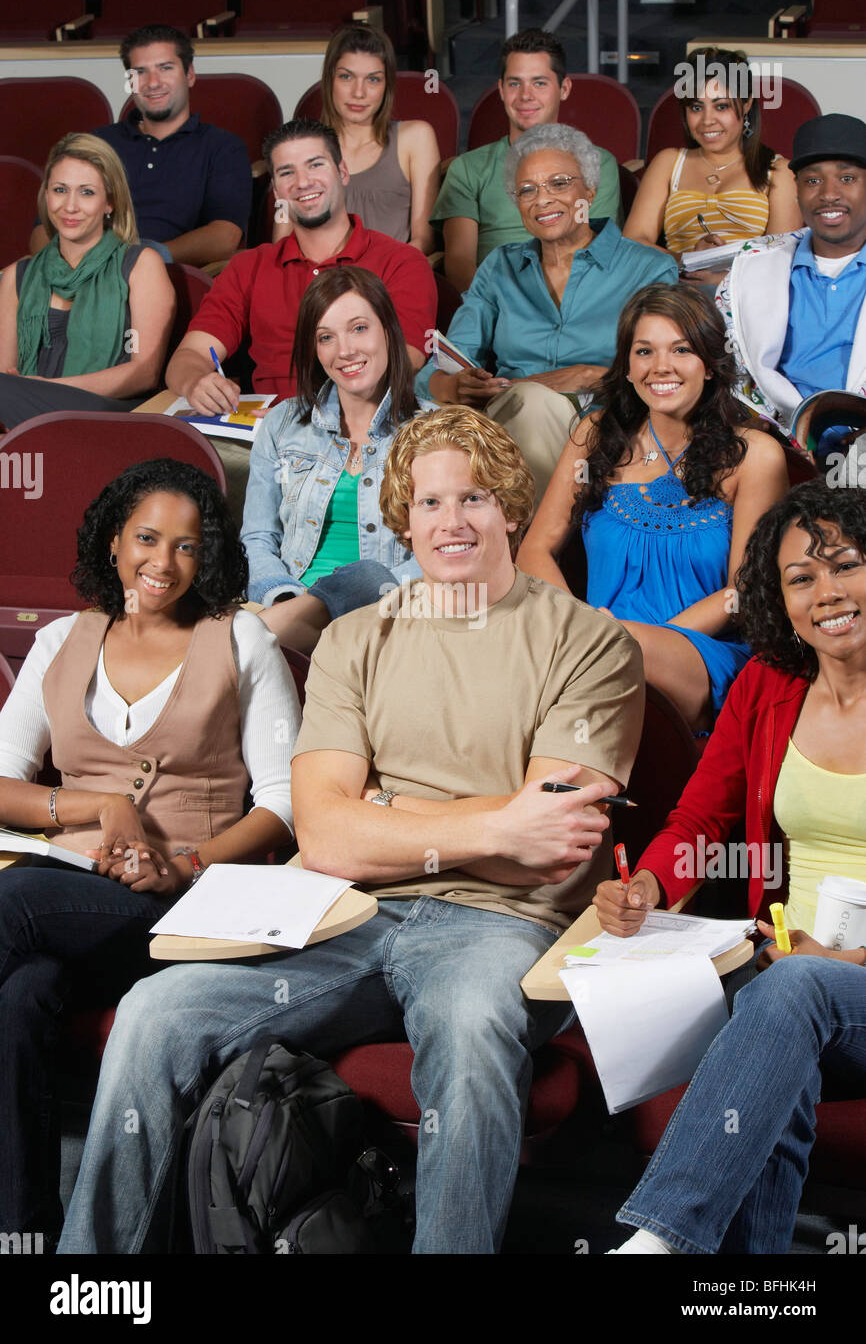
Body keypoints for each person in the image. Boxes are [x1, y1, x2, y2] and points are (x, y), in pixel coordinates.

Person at [58, 406, 644, 1256]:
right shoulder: (355, 639)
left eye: (474, 499)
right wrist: (477, 822)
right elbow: (327, 836)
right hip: (345, 912)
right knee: (155, 1012)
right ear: (402, 516)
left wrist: (384, 813)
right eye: (431, 503)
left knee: (474, 1029)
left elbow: (548, 836)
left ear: (512, 509)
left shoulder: (589, 643)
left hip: (504, 924)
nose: (452, 522)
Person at [0, 457, 298, 1247]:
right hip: (66, 899)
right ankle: (22, 1236)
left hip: (185, 906)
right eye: (146, 539)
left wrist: (187, 863)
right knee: (18, 998)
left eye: (188, 547)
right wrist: (97, 806)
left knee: (11, 903)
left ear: (212, 557)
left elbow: (285, 802)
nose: (163, 563)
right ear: (112, 543)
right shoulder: (63, 638)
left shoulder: (240, 639)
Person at [591, 482, 866, 1254]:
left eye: (844, 566)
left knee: (790, 990)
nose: (827, 593)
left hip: (829, 979)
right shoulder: (769, 686)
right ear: (777, 600)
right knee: (776, 1063)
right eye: (801, 578)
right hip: (790, 981)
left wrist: (839, 960)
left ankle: (657, 1243)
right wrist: (650, 885)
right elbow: (702, 820)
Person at [517, 283, 789, 731]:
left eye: (681, 349)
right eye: (644, 352)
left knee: (616, 655)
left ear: (710, 365)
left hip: (699, 652)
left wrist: (617, 640)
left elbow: (741, 593)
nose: (661, 367)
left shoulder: (754, 455)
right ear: (626, 366)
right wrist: (579, 627)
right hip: (590, 641)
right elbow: (534, 551)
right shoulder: (595, 434)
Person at [416, 123, 677, 501]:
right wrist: (453, 385)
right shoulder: (499, 267)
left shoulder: (648, 268)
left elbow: (668, 372)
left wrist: (594, 375)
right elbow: (435, 371)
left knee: (531, 411)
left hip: (608, 423)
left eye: (559, 183)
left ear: (589, 189)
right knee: (514, 410)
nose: (542, 200)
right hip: (504, 417)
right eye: (527, 190)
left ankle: (517, 546)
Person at [166, 119, 437, 415]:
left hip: (362, 424)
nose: (303, 182)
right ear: (276, 191)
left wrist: (311, 416)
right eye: (287, 172)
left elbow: (407, 360)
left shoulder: (401, 261)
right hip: (265, 431)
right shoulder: (249, 267)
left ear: (342, 172)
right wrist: (196, 383)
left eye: (315, 165)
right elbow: (189, 355)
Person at [242, 265, 427, 652]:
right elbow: (258, 538)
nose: (345, 350)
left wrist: (375, 602)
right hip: (289, 609)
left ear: (388, 331)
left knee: (363, 577)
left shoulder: (435, 431)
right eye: (326, 337)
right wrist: (286, 599)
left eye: (359, 328)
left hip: (386, 615)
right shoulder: (282, 424)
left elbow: (448, 549)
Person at [29, 25, 252, 270]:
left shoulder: (222, 147)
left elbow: (225, 236)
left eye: (165, 68)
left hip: (167, 274)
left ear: (189, 74)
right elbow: (43, 228)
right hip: (79, 271)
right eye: (140, 72)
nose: (152, 83)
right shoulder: (98, 143)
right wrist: (59, 265)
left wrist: (149, 256)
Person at [0, 133, 175, 430]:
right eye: (59, 190)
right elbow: (7, 373)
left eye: (86, 193)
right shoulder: (17, 275)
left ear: (110, 202)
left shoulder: (141, 264)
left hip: (110, 414)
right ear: (46, 196)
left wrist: (51, 388)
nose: (70, 206)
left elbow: (144, 373)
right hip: (26, 412)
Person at [431, 27, 622, 293]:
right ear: (500, 89)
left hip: (577, 299)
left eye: (539, 83)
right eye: (514, 83)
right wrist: (503, 308)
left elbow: (596, 253)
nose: (525, 96)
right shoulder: (468, 168)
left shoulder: (598, 164)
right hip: (496, 302)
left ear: (564, 88)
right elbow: (460, 264)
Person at [718, 112, 866, 431]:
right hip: (780, 439)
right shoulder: (753, 266)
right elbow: (733, 377)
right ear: (796, 191)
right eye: (813, 180)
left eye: (847, 178)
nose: (828, 193)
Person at [624, 47, 800, 285]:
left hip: (747, 294)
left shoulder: (779, 172)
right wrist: (686, 259)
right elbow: (633, 242)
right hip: (674, 291)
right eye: (696, 108)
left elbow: (779, 260)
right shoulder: (669, 162)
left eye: (722, 106)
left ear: (746, 103)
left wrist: (723, 278)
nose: (707, 121)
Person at [275, 25, 440, 252]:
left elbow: (424, 240)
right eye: (346, 77)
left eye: (373, 80)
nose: (359, 92)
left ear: (387, 86)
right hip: (315, 281)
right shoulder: (299, 147)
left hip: (387, 279)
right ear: (329, 80)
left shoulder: (416, 137)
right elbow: (281, 242)